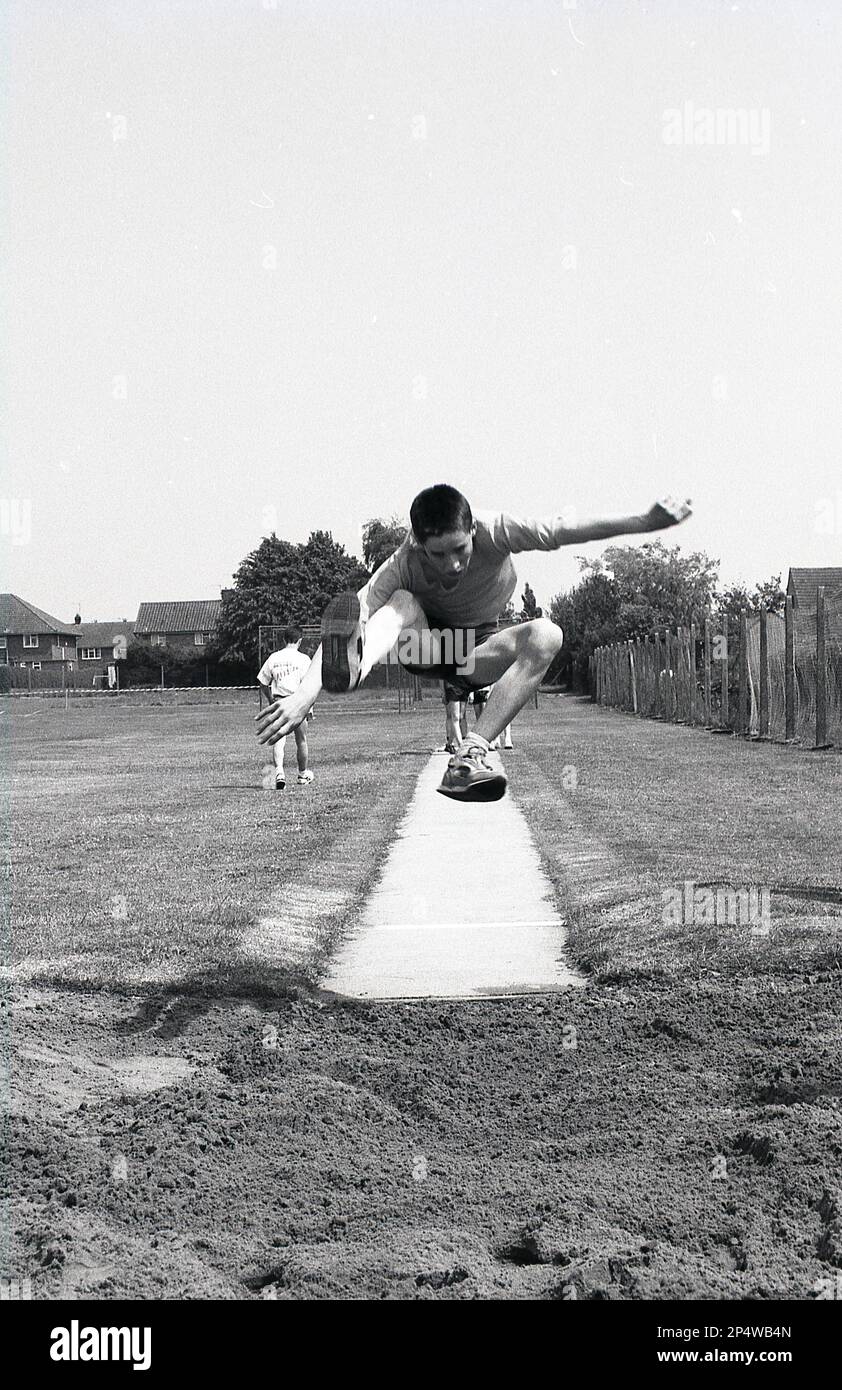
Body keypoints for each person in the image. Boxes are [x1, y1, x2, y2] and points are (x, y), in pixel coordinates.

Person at [256, 485, 691, 801]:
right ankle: (356, 670)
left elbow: (565, 528)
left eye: (460, 549)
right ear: (417, 543)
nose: (453, 564)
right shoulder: (403, 563)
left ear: (472, 533)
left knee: (547, 634)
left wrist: (644, 522)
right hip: (426, 647)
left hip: (476, 654)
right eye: (437, 555)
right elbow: (349, 619)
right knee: (400, 601)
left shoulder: (498, 530)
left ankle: (471, 754)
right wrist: (300, 698)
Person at [256, 626, 315, 790]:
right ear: (300, 641)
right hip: (298, 703)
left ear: (283, 640)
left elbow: (262, 681)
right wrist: (309, 708)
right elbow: (309, 685)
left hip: (280, 702)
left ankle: (280, 773)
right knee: (301, 740)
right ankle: (303, 775)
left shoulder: (274, 658)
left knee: (279, 739)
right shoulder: (304, 659)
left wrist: (270, 699)